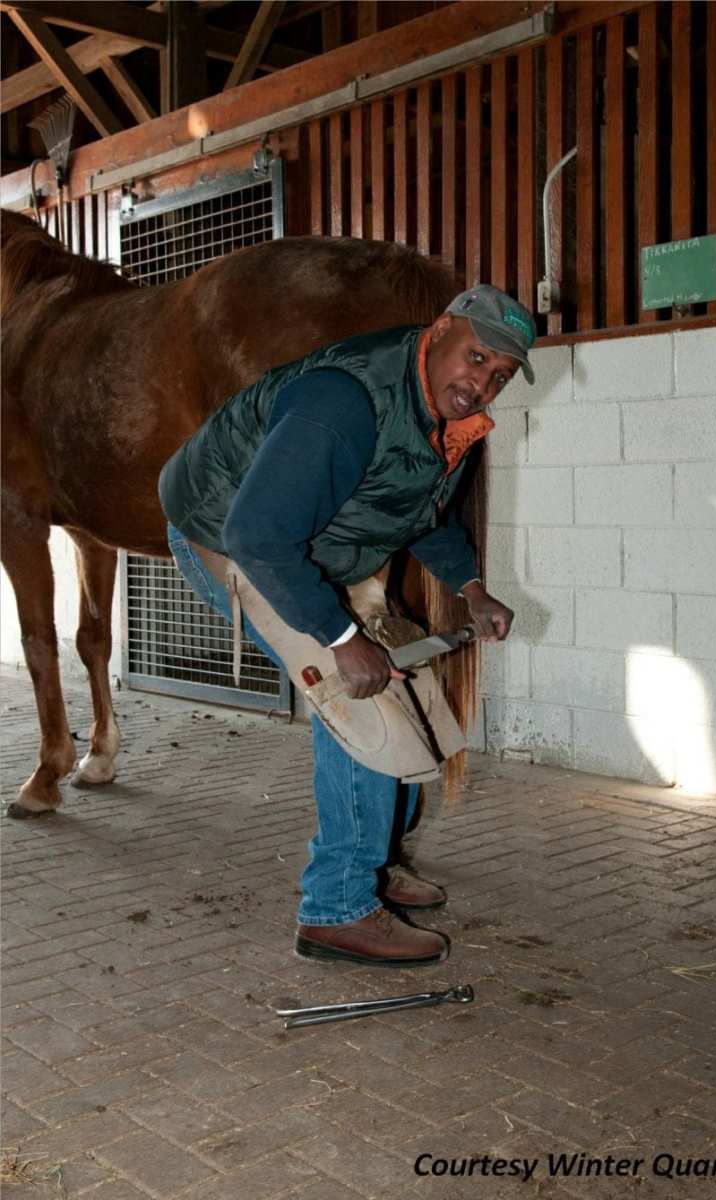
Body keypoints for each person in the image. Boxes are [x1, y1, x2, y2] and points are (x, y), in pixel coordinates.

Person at [159, 284, 536, 967]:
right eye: (477, 357)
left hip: (315, 541)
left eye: (500, 376)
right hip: (233, 536)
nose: (482, 384)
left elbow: (419, 510)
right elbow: (257, 535)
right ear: (441, 330)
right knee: (359, 696)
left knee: (403, 681)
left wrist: (472, 588)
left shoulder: (445, 418)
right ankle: (337, 906)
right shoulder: (343, 402)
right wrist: (339, 640)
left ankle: (376, 862)